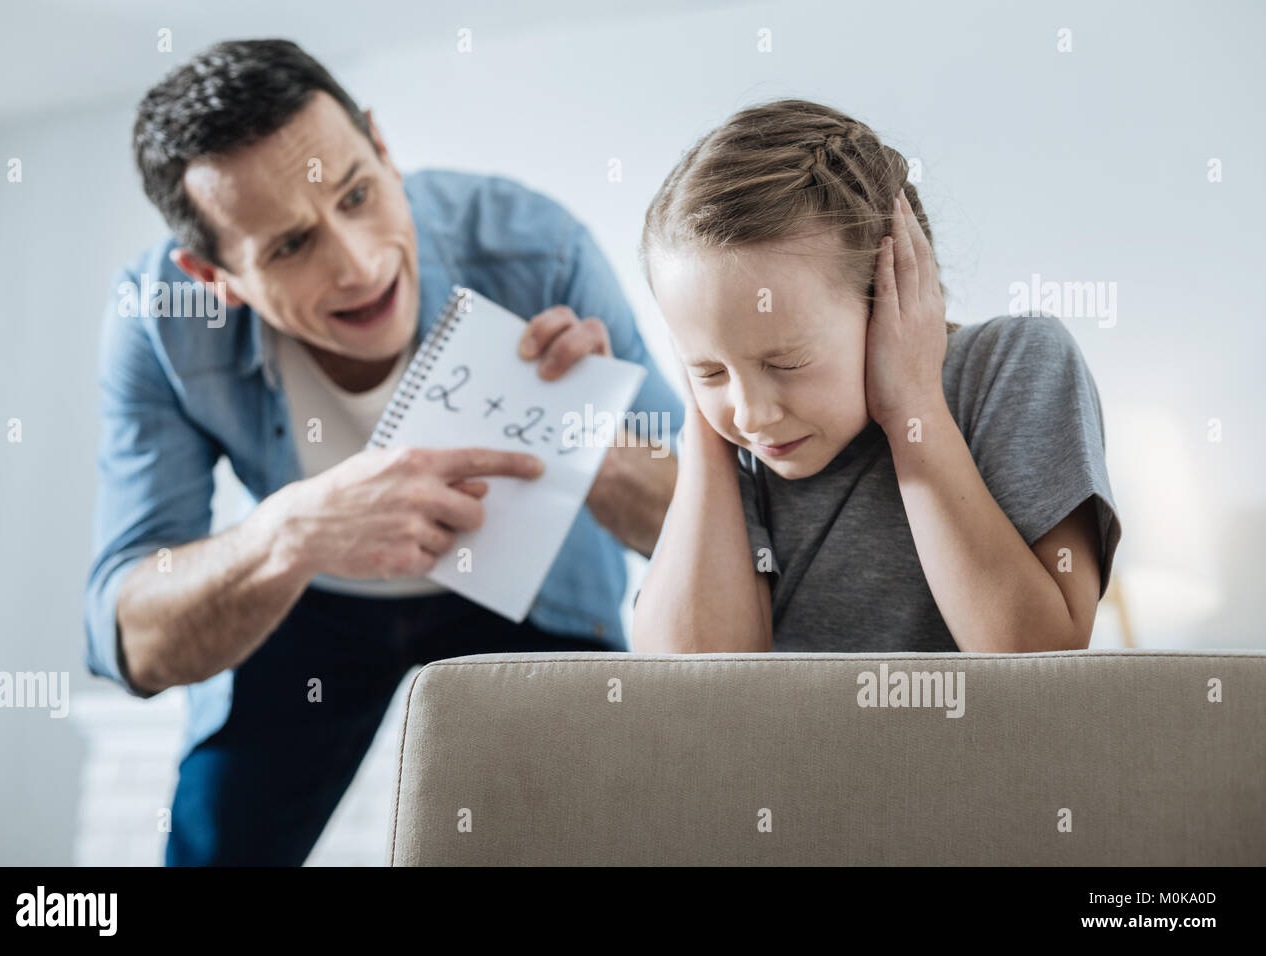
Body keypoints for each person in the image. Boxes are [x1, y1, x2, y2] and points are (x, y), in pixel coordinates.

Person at [84, 39, 682, 865]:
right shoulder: (159, 321)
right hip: (306, 602)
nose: (359, 264)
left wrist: (586, 434)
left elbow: (708, 534)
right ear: (213, 276)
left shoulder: (533, 247)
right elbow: (133, 644)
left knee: (598, 846)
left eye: (358, 194)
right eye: (290, 246)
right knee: (216, 850)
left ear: (382, 148)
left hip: (534, 594)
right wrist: (293, 534)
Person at [632, 99, 1121, 654]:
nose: (750, 414)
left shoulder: (1012, 364)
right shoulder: (734, 440)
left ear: (891, 299)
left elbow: (1036, 658)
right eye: (709, 369)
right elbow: (689, 691)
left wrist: (913, 408)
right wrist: (704, 429)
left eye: (786, 363)